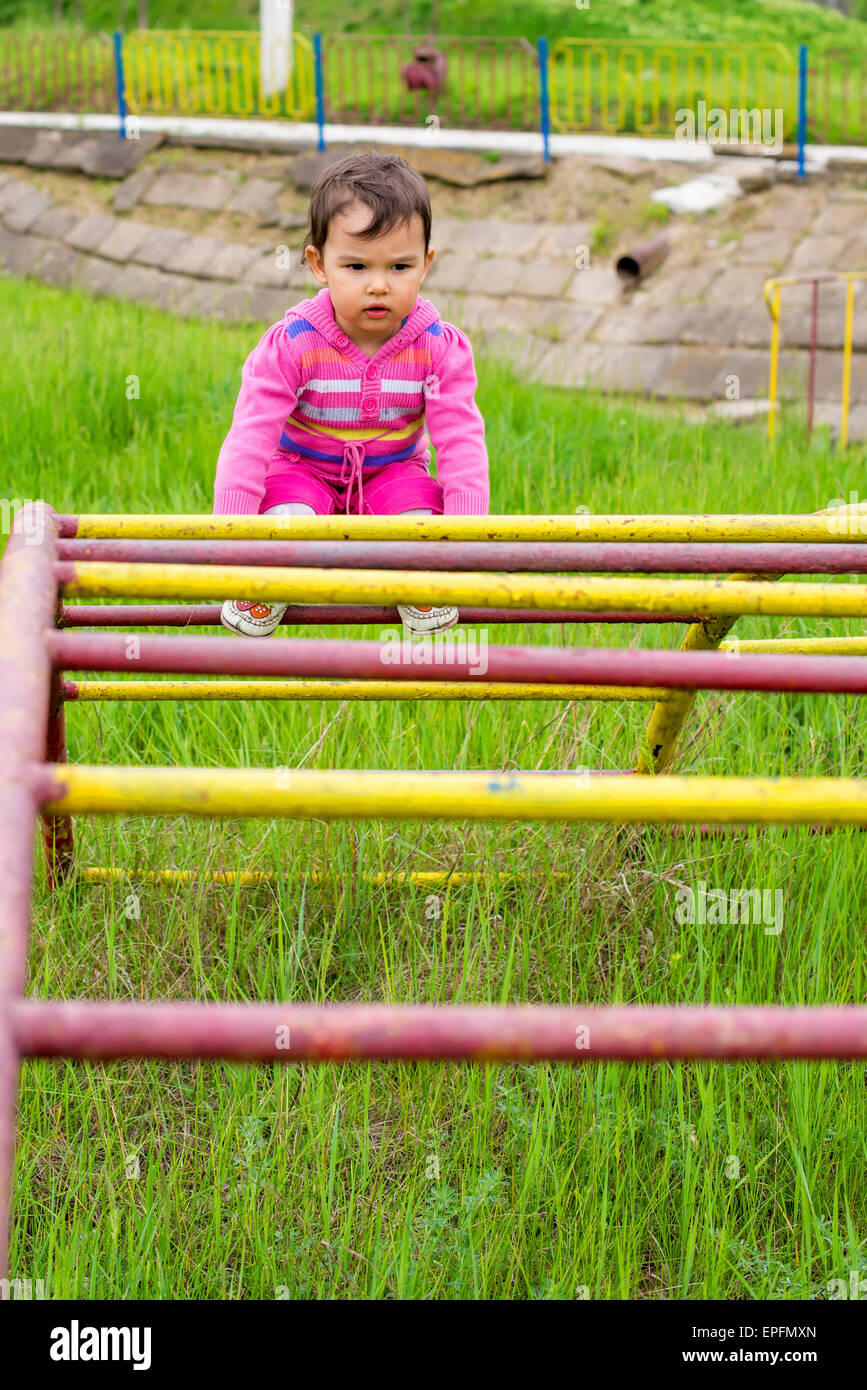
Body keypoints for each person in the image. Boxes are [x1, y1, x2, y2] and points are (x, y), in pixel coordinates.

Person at [215, 149, 489, 638]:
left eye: (400, 267)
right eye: (357, 267)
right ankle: (264, 580)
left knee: (418, 524)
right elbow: (250, 436)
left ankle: (421, 578)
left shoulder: (438, 347)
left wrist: (465, 537)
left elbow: (461, 439)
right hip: (301, 470)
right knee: (290, 521)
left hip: (394, 471)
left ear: (426, 264)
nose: (379, 286)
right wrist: (232, 534)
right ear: (319, 265)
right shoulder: (293, 342)